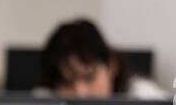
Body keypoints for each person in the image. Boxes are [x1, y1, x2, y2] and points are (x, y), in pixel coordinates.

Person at [34, 18, 167, 99]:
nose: (80, 93)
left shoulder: (144, 96)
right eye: (67, 84)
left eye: (89, 78)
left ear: (112, 66)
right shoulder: (41, 104)